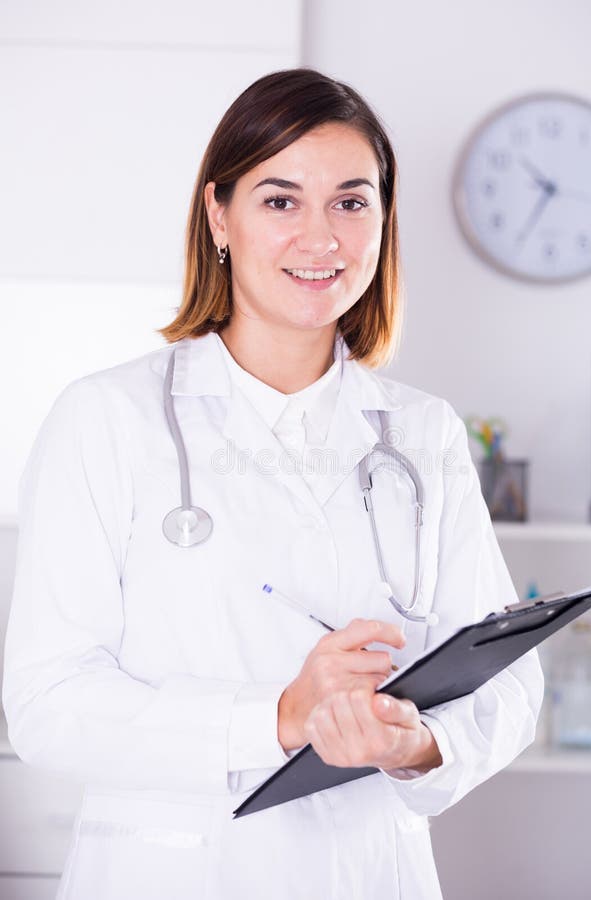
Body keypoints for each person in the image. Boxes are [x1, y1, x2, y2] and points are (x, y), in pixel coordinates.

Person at [3, 68, 543, 899]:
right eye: (281, 200)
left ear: (383, 222)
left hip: (372, 871)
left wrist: (412, 744)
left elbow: (505, 682)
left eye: (352, 202)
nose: (321, 238)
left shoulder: (420, 431)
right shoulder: (107, 419)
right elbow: (46, 703)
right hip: (170, 873)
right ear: (220, 215)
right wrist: (280, 717)